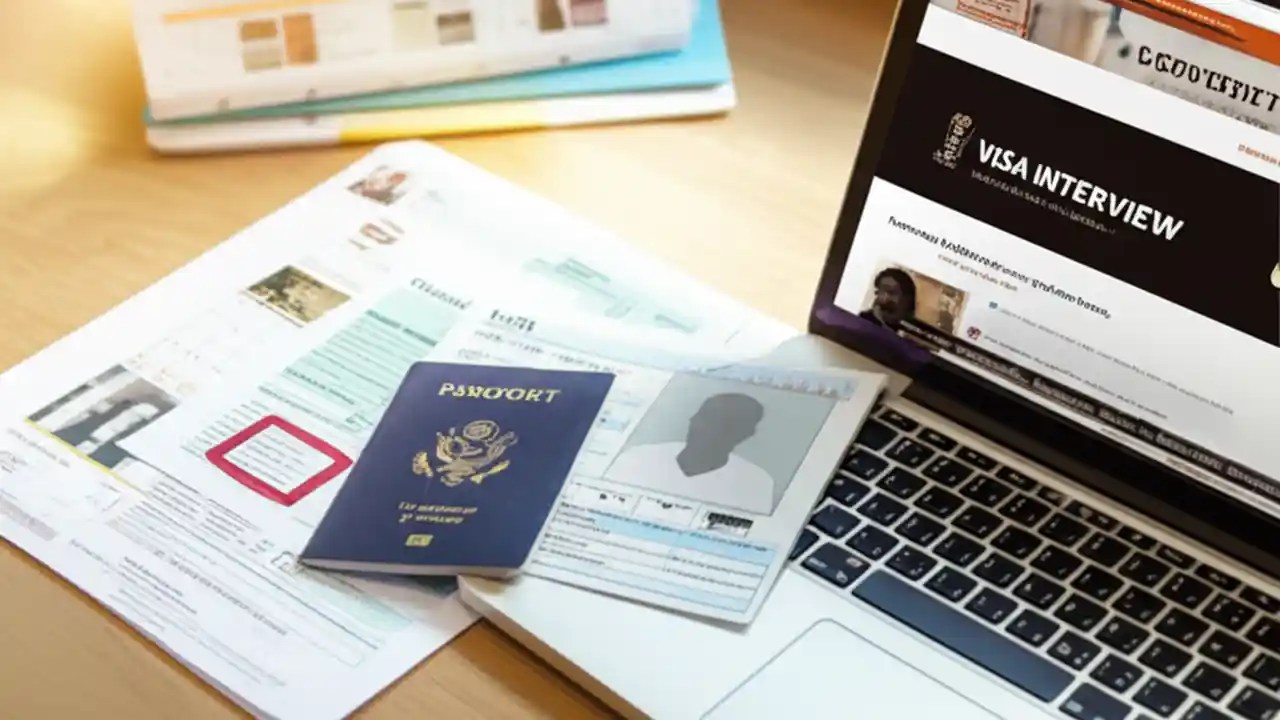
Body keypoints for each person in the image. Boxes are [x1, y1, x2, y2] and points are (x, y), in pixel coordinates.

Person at [606, 393, 774, 514]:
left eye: (721, 423)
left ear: (744, 434)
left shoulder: (756, 483)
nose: (702, 426)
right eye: (704, 416)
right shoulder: (638, 457)